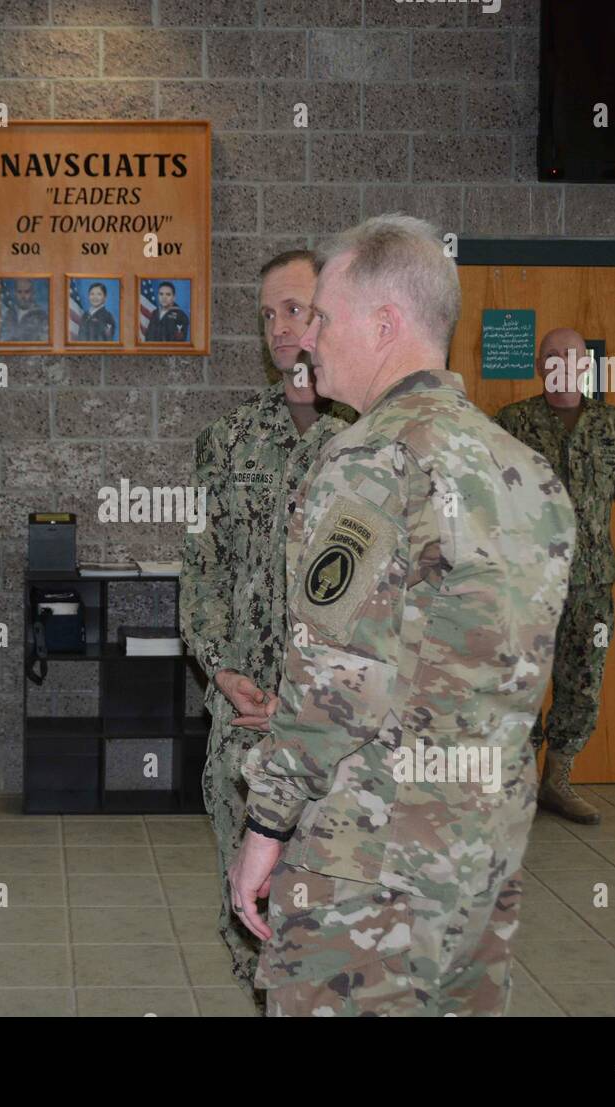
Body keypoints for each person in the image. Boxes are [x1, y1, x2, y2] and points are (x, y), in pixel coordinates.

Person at [227, 215, 576, 1017]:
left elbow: (336, 682)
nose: (306, 337)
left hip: (369, 857)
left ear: (384, 324)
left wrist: (266, 826)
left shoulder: (371, 459)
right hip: (478, 849)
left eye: (321, 315)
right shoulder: (525, 471)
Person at [180, 249, 349, 1012]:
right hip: (244, 720)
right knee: (248, 909)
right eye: (269, 314)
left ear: (332, 312)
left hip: (336, 729)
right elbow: (201, 566)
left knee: (331, 912)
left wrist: (303, 697)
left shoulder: (370, 440)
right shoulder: (228, 439)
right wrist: (217, 667)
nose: (281, 327)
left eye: (297, 308)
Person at [494, 330, 615, 824]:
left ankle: (558, 781)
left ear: (586, 366)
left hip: (590, 584)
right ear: (539, 365)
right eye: (552, 356)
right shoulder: (511, 423)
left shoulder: (612, 425)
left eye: (572, 356)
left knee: (582, 682)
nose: (563, 364)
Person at [1, 278, 48, 342]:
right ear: (15, 293)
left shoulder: (41, 316)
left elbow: (45, 342)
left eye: (26, 292)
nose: (23, 296)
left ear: (33, 294)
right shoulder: (9, 314)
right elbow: (2, 338)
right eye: (19, 292)